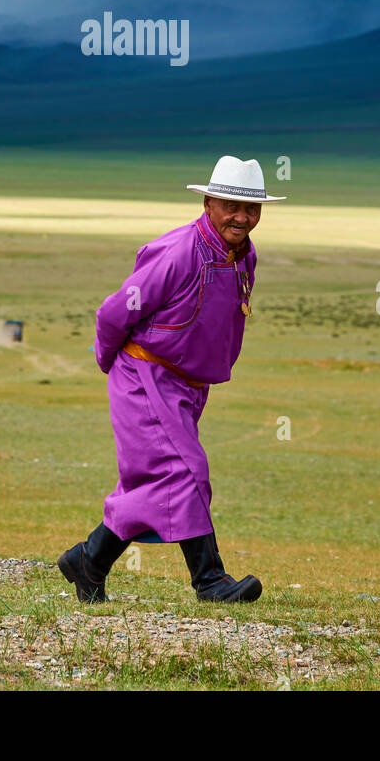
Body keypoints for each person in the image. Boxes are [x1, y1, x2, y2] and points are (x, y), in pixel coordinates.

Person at [58, 156, 285, 603]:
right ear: (208, 202)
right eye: (231, 205)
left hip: (187, 384)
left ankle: (89, 562)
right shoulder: (178, 253)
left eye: (252, 208)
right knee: (184, 470)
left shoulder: (243, 254)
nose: (242, 217)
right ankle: (211, 582)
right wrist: (111, 364)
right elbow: (112, 313)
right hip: (146, 375)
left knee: (155, 480)